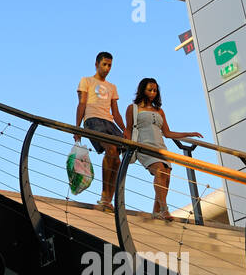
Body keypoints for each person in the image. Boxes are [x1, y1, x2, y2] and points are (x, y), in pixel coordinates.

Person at [125, 79, 202, 220]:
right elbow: (128, 129)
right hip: (144, 145)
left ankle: (157, 211)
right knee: (159, 171)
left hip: (161, 147)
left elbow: (167, 133)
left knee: (165, 176)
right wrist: (126, 148)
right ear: (142, 90)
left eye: (155, 90)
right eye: (149, 90)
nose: (152, 93)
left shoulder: (159, 111)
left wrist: (188, 134)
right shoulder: (133, 108)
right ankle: (165, 210)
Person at [76, 52, 125, 212]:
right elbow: (82, 103)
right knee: (110, 149)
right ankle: (105, 195)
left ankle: (108, 200)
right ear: (96, 64)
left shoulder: (112, 87)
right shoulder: (86, 81)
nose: (107, 68)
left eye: (110, 65)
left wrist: (125, 130)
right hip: (92, 119)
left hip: (109, 122)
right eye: (104, 64)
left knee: (117, 159)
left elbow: (116, 112)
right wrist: (77, 128)